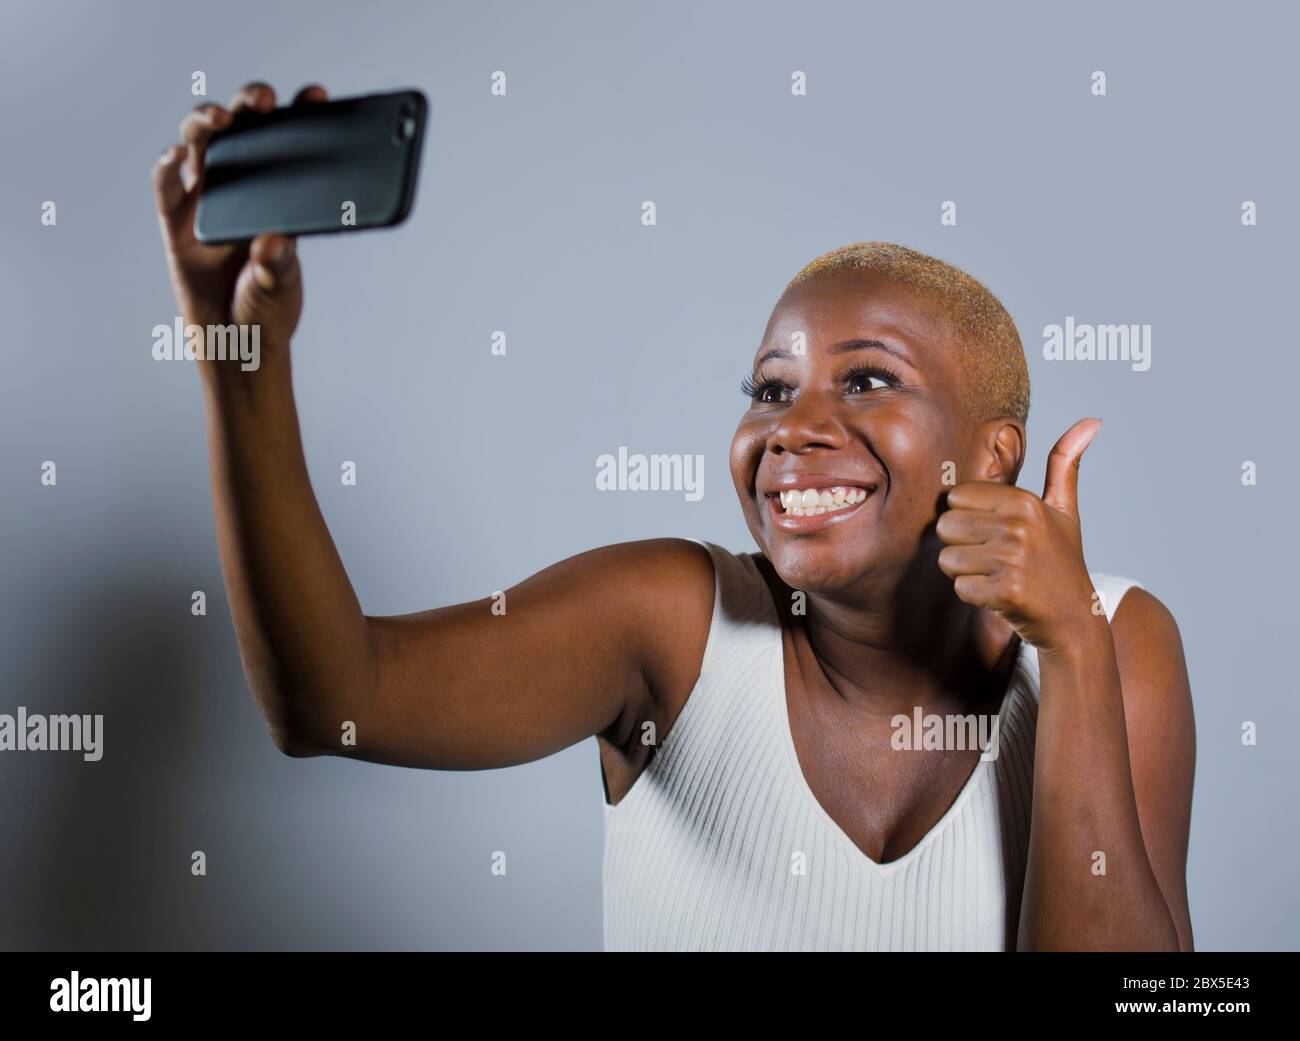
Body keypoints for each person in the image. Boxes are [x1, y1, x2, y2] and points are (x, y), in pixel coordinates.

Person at [152, 81, 1196, 952]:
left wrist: (1070, 649)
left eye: (868, 380)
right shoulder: (670, 621)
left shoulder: (1116, 638)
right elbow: (334, 701)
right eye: (771, 391)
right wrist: (238, 361)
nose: (793, 430)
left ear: (994, 453)